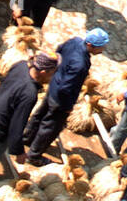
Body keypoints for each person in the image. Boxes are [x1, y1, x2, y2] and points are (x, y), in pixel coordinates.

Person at [23, 28, 108, 165]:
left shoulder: (74, 41)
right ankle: (34, 155)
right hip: (60, 98)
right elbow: (67, 87)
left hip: (53, 85)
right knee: (50, 127)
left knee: (40, 114)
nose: (102, 50)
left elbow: (58, 52)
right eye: (101, 47)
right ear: (90, 45)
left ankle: (27, 137)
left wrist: (58, 72)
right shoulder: (80, 64)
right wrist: (68, 106)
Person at [0, 51, 57, 178]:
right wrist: (18, 151)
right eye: (52, 73)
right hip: (0, 129)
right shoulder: (29, 93)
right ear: (43, 72)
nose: (53, 77)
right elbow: (17, 124)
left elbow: (2, 86)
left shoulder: (20, 66)